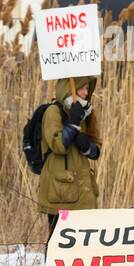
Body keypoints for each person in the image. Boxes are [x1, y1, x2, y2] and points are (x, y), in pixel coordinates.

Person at [38, 76, 100, 241]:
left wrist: (87, 147)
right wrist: (72, 123)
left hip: (82, 187)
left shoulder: (86, 112)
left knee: (80, 241)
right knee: (58, 240)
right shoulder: (53, 112)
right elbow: (57, 145)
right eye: (82, 88)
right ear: (68, 88)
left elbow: (97, 149)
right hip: (60, 191)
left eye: (88, 88)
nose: (86, 93)